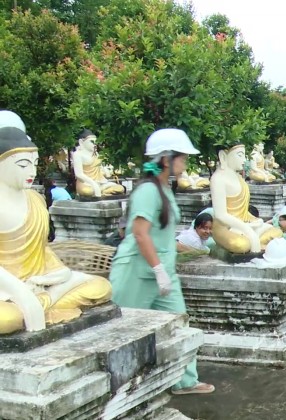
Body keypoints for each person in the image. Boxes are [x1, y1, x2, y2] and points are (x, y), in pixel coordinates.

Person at [108, 128, 214, 395]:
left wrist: (162, 272)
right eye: (183, 158)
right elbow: (140, 234)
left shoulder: (164, 189)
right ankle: (116, 392)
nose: (186, 163)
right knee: (124, 332)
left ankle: (185, 381)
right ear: (166, 159)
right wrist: (157, 270)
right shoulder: (147, 191)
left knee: (179, 324)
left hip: (162, 272)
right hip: (136, 271)